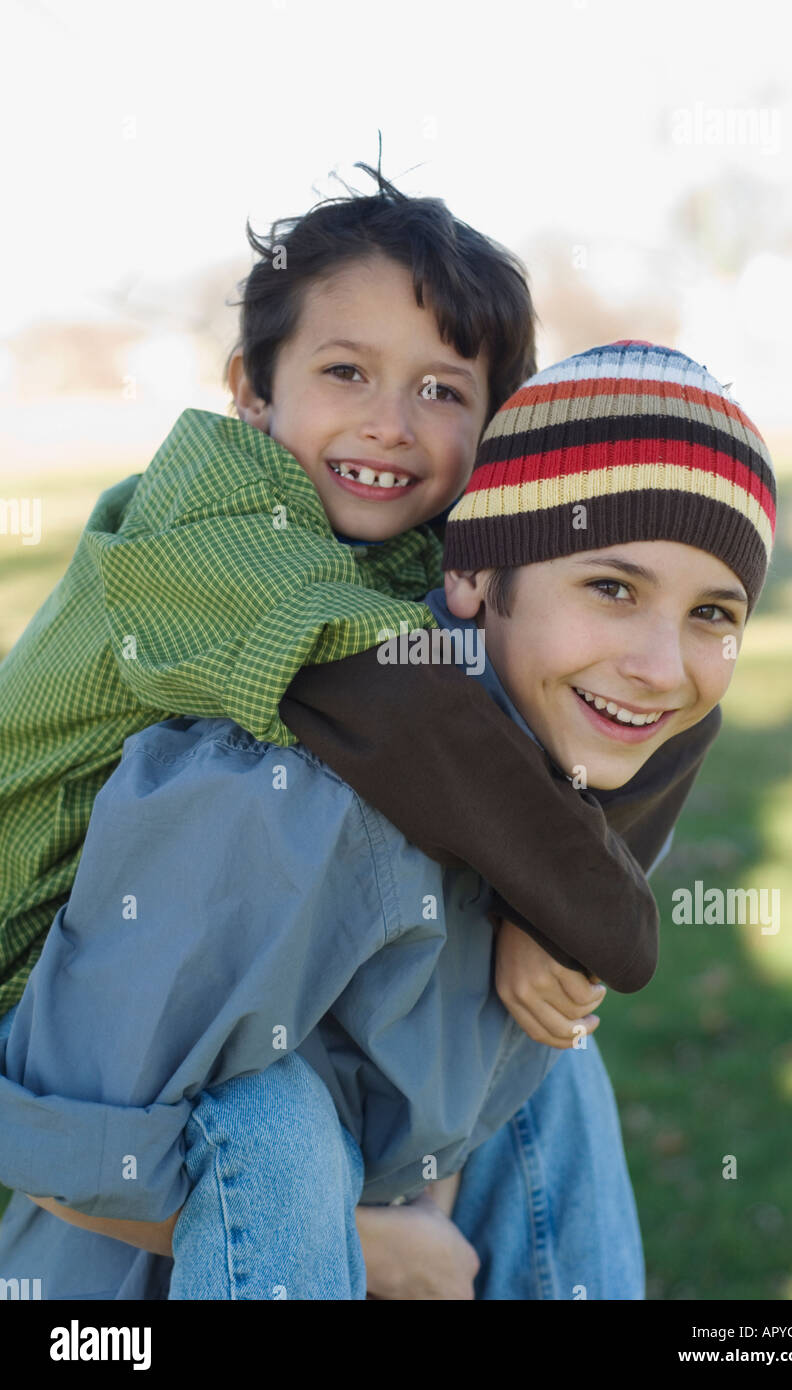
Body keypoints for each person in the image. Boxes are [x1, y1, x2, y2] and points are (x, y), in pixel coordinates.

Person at [0, 342, 775, 1299]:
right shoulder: (297, 802)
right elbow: (66, 1150)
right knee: (276, 1109)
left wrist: (548, 913)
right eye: (610, 589)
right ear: (473, 577)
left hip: (402, 1212)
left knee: (558, 1050)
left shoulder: (574, 764)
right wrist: (381, 1248)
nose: (660, 667)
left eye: (712, 614)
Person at [0, 163, 704, 1055]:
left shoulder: (429, 542)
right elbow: (403, 705)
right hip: (29, 974)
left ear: (489, 430)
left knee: (542, 1045)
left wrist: (549, 912)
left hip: (174, 969)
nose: (390, 424)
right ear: (251, 389)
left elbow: (647, 689)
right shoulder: (208, 515)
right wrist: (586, 907)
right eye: (345, 372)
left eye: (441, 391)